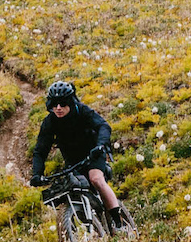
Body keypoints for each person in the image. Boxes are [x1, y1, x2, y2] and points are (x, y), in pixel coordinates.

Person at [29, 80, 134, 232]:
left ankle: (119, 223)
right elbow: (40, 150)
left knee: (96, 179)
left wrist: (100, 145)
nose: (58, 108)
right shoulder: (49, 122)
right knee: (70, 188)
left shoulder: (83, 111)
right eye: (55, 104)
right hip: (73, 161)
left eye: (63, 104)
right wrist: (37, 174)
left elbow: (103, 126)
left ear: (70, 102)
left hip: (94, 153)